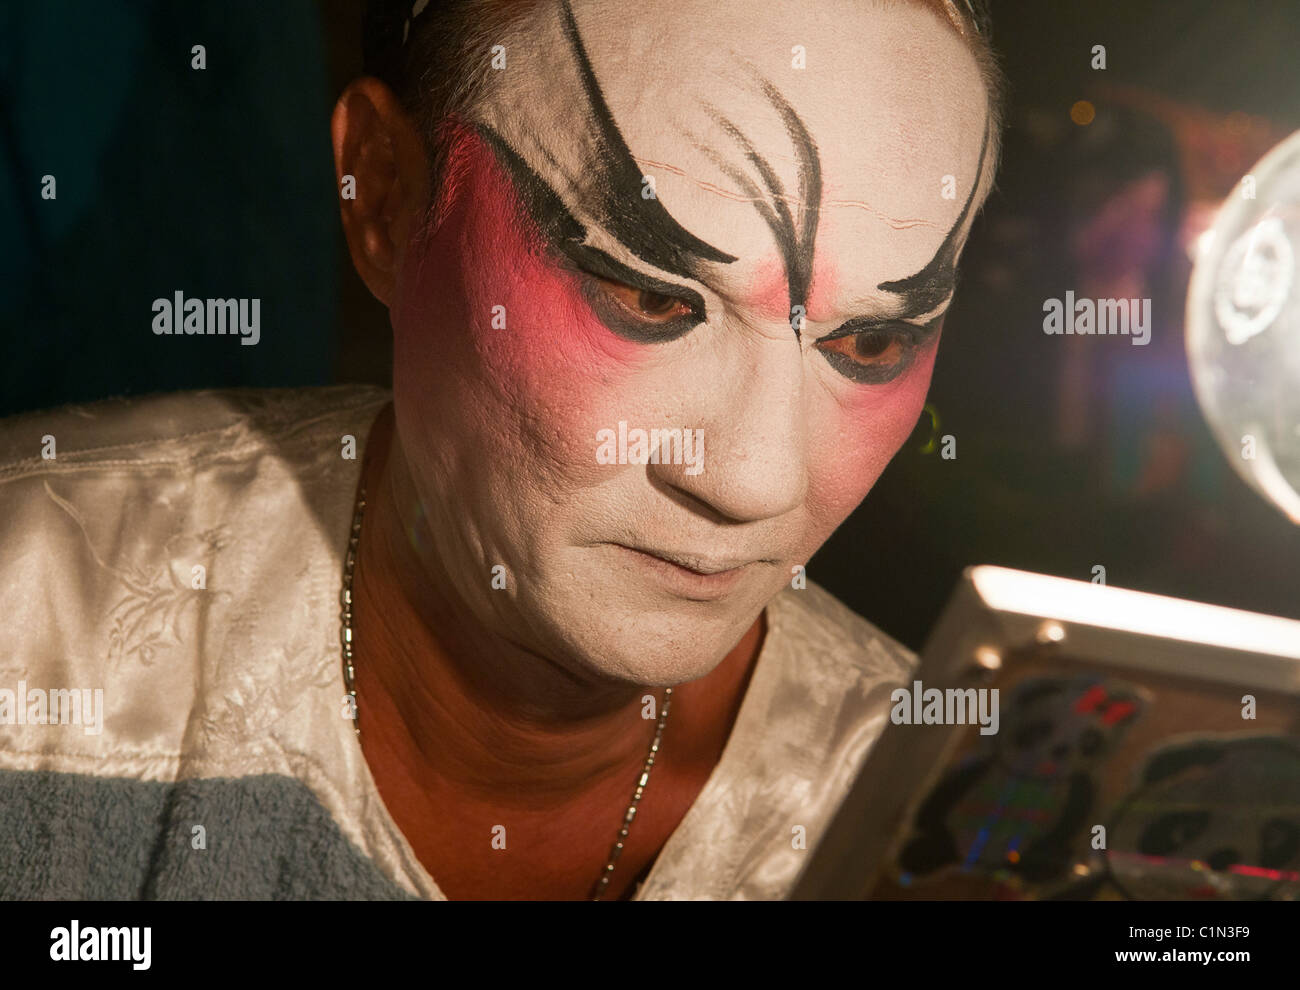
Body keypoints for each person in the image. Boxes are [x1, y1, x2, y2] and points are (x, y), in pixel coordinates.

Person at [0, 0, 1003, 900]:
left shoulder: (943, 814)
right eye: (649, 295)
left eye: (869, 342)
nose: (753, 480)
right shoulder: (30, 617)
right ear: (387, 196)